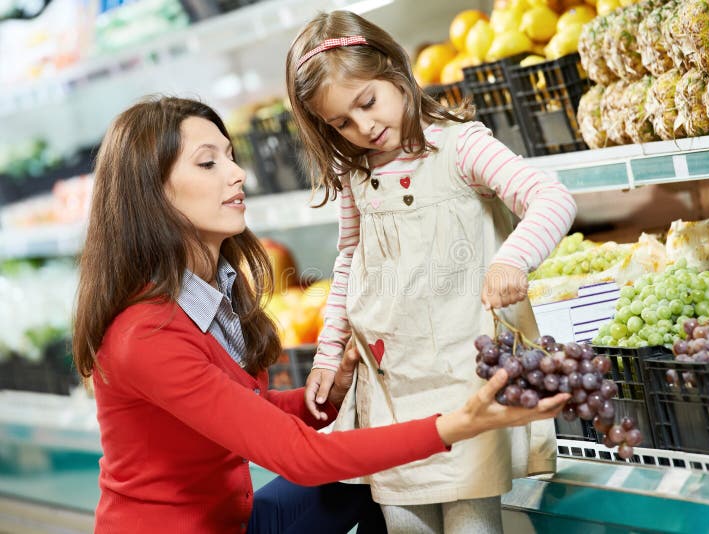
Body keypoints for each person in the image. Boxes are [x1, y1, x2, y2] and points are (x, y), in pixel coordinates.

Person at [71, 95, 571, 534]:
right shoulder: (145, 335)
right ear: (152, 194)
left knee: (373, 478)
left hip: (234, 520)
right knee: (362, 466)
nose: (237, 173)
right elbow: (301, 459)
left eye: (231, 155)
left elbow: (247, 411)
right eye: (208, 164)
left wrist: (331, 395)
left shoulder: (211, 291)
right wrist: (455, 425)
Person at [289, 11, 578, 533]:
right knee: (403, 526)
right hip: (391, 381)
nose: (363, 127)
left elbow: (551, 197)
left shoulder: (460, 146)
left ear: (396, 72)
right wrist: (328, 355)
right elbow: (349, 261)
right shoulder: (354, 174)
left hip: (461, 379)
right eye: (341, 123)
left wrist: (513, 258)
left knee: (473, 523)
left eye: (368, 102)